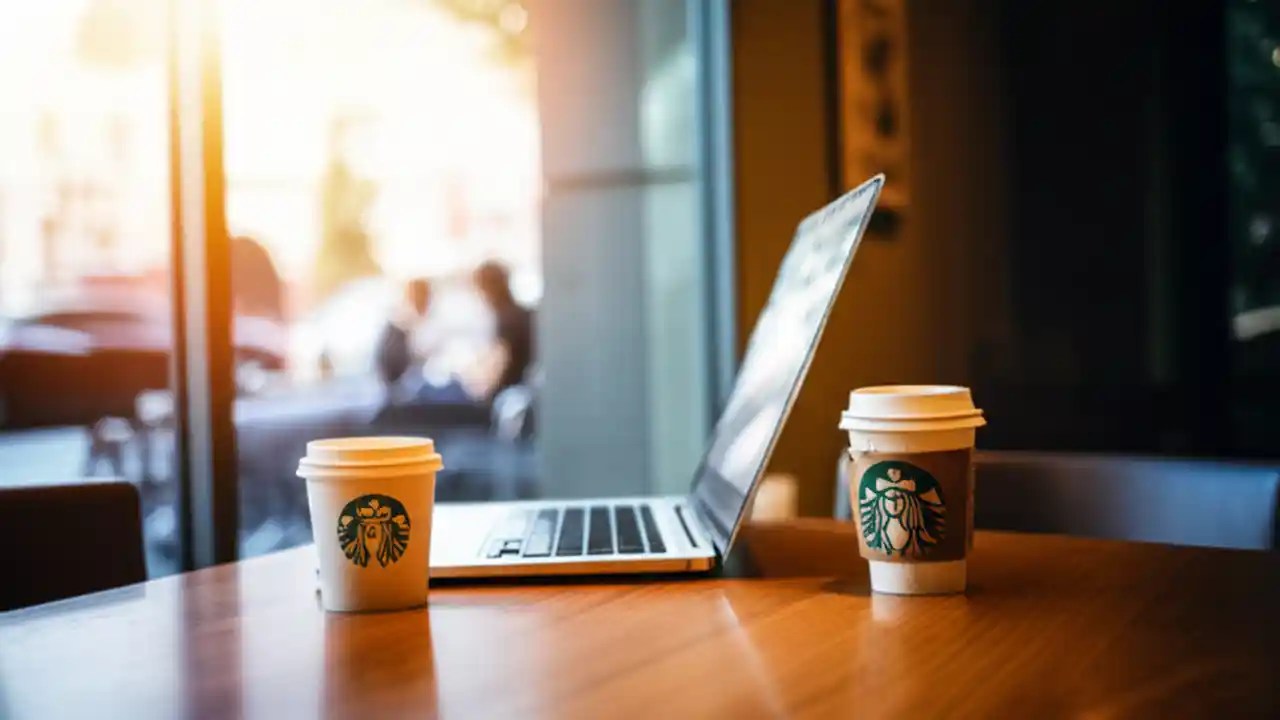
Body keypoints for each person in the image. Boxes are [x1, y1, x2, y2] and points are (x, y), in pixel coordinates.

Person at [471, 261, 534, 398]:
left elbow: (505, 368)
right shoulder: (520, 314)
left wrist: (486, 396)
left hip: (513, 393)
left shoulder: (508, 319)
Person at [375, 278, 432, 398]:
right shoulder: (400, 326)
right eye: (421, 296)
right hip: (401, 394)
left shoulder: (419, 325)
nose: (426, 302)